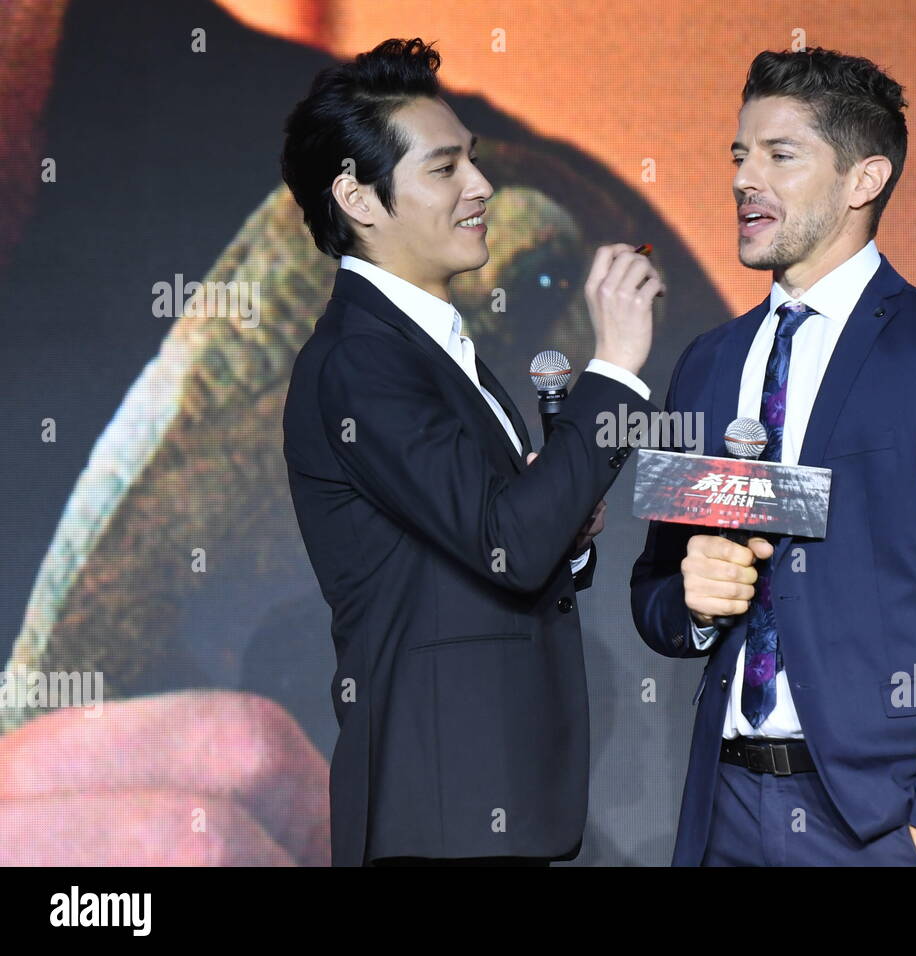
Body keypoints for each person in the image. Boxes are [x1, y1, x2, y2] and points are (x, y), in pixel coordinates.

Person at [630, 48, 916, 866]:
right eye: (740, 155)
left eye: (781, 155)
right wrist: (694, 602)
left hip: (878, 825)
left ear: (864, 180)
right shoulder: (708, 362)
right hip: (723, 810)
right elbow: (656, 589)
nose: (747, 178)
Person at [281, 38, 661, 865]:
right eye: (445, 169)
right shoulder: (363, 358)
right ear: (359, 197)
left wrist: (565, 523)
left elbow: (497, 537)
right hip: (442, 818)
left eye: (474, 163)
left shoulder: (429, 349)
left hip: (482, 808)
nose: (483, 187)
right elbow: (510, 546)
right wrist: (617, 370)